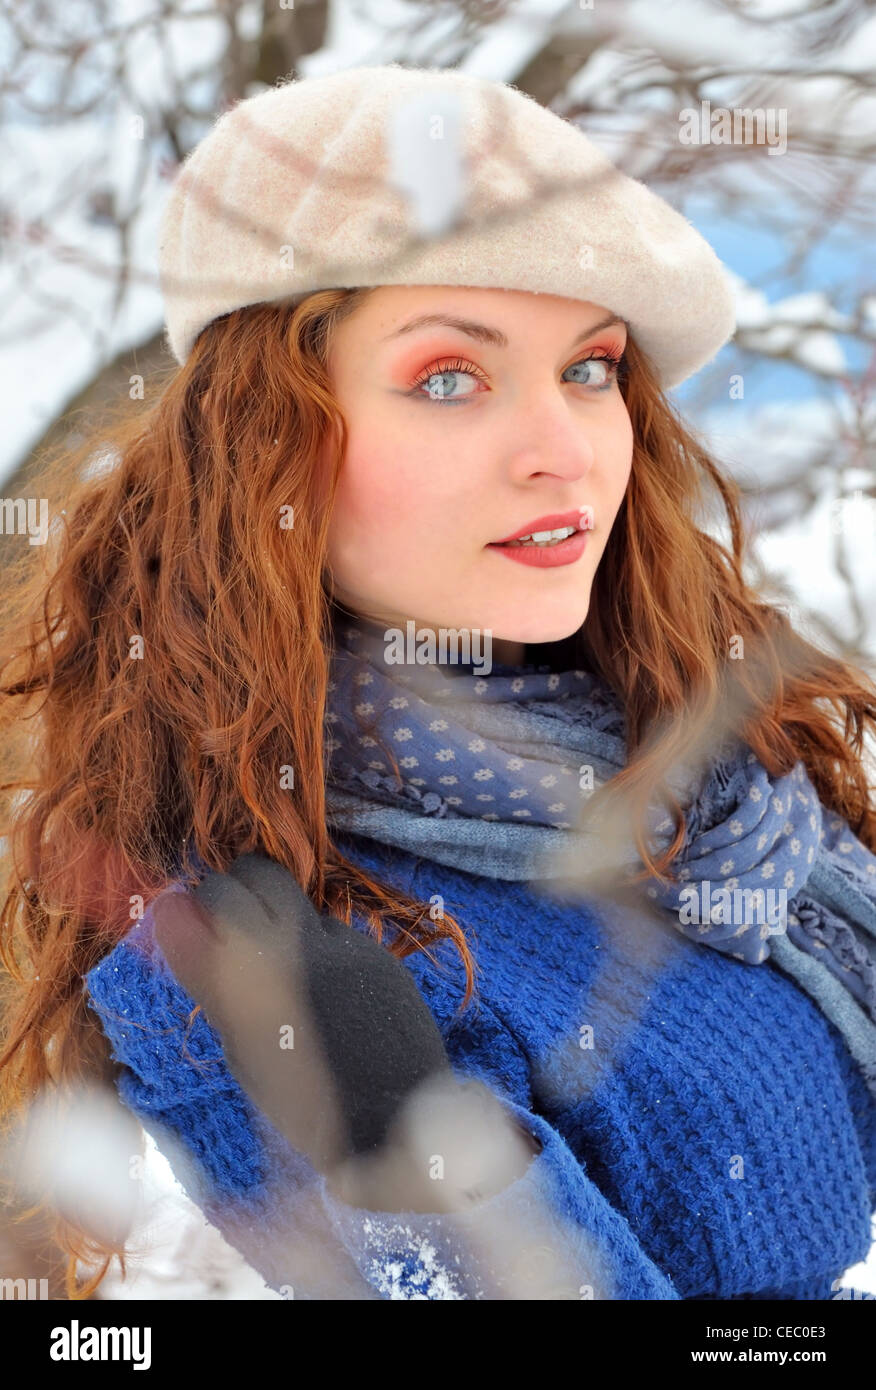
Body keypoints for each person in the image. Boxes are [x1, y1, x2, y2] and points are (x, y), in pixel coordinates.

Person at [1, 64, 874, 1301]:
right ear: (270, 446)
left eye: (591, 368)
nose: (565, 449)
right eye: (450, 379)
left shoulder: (713, 759)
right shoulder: (265, 954)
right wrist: (409, 1172)